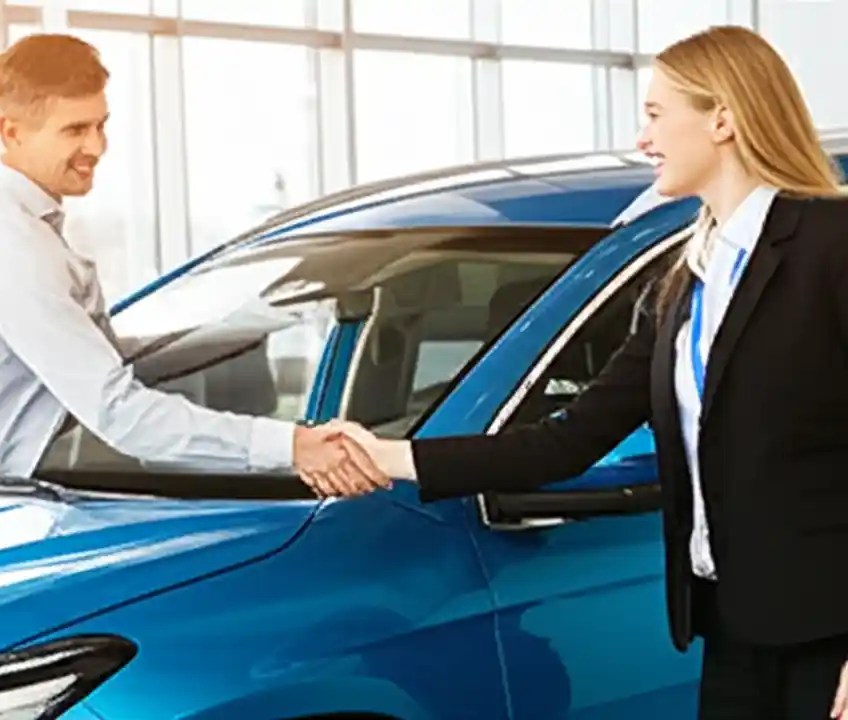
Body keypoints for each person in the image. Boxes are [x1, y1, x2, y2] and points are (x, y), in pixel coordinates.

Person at [336, 25, 848, 720]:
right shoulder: (685, 281)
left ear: (723, 118)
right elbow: (570, 438)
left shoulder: (831, 245)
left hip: (829, 637)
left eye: (657, 114)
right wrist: (388, 455)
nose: (644, 139)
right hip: (736, 629)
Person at [0, 33, 385, 497]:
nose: (97, 148)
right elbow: (118, 413)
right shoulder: (15, 249)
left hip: (79, 482)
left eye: (101, 125)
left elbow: (90, 357)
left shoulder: (25, 229)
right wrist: (293, 445)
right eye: (75, 130)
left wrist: (243, 323)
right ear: (12, 132)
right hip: (67, 496)